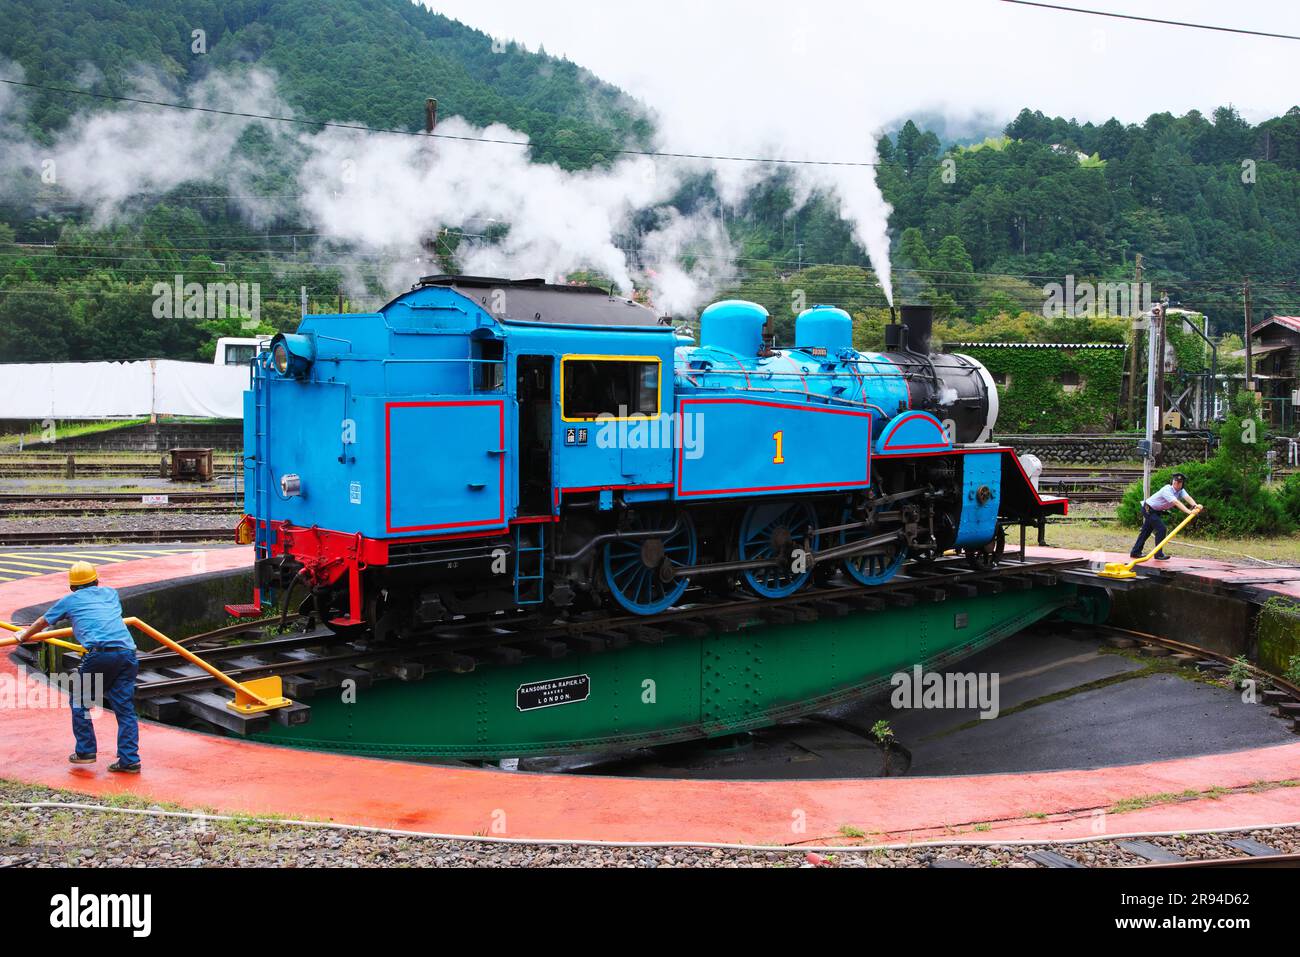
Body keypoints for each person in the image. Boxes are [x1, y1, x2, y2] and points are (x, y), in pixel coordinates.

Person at [11, 561, 140, 772]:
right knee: (125, 709)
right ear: (96, 580)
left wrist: (23, 636)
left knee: (80, 701)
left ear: (72, 586)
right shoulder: (110, 593)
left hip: (100, 655)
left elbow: (44, 621)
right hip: (128, 653)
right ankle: (130, 760)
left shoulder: (69, 601)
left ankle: (85, 751)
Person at [1130, 472, 1203, 561]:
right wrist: (1189, 512)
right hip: (1148, 508)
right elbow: (1176, 502)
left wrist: (1195, 505)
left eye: (1179, 482)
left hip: (1156, 511)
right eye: (1175, 481)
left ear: (1182, 484)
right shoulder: (1167, 489)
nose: (1176, 483)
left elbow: (1187, 497)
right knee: (1161, 529)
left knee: (1146, 531)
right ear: (1172, 481)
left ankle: (1135, 552)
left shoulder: (1181, 490)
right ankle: (1158, 554)